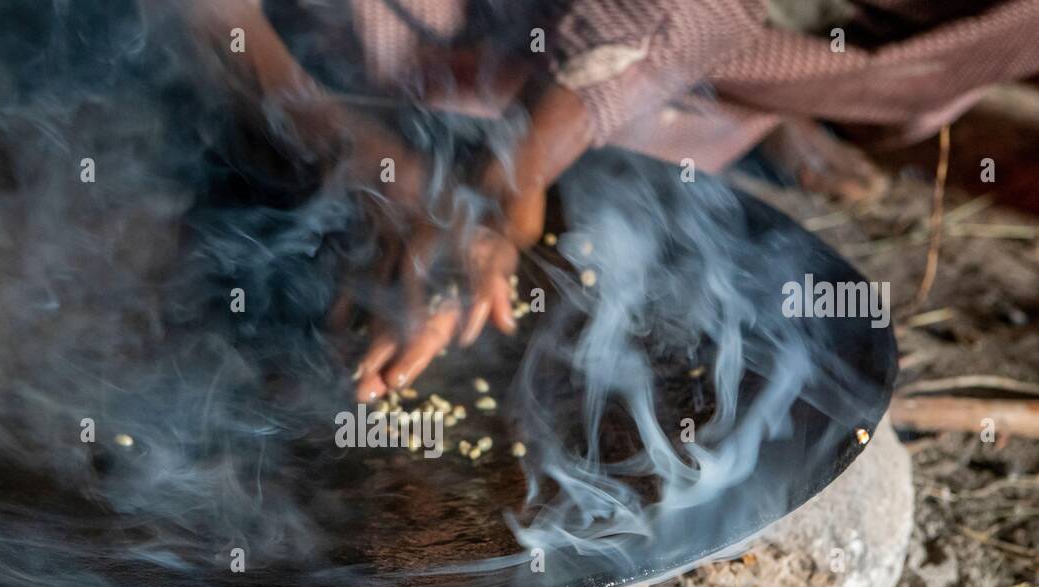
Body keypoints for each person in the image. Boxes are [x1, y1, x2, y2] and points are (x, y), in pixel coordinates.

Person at [181, 0, 1039, 401]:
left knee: (722, 75)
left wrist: (507, 178)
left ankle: (779, 90)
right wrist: (359, 155)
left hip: (702, 43)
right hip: (447, 43)